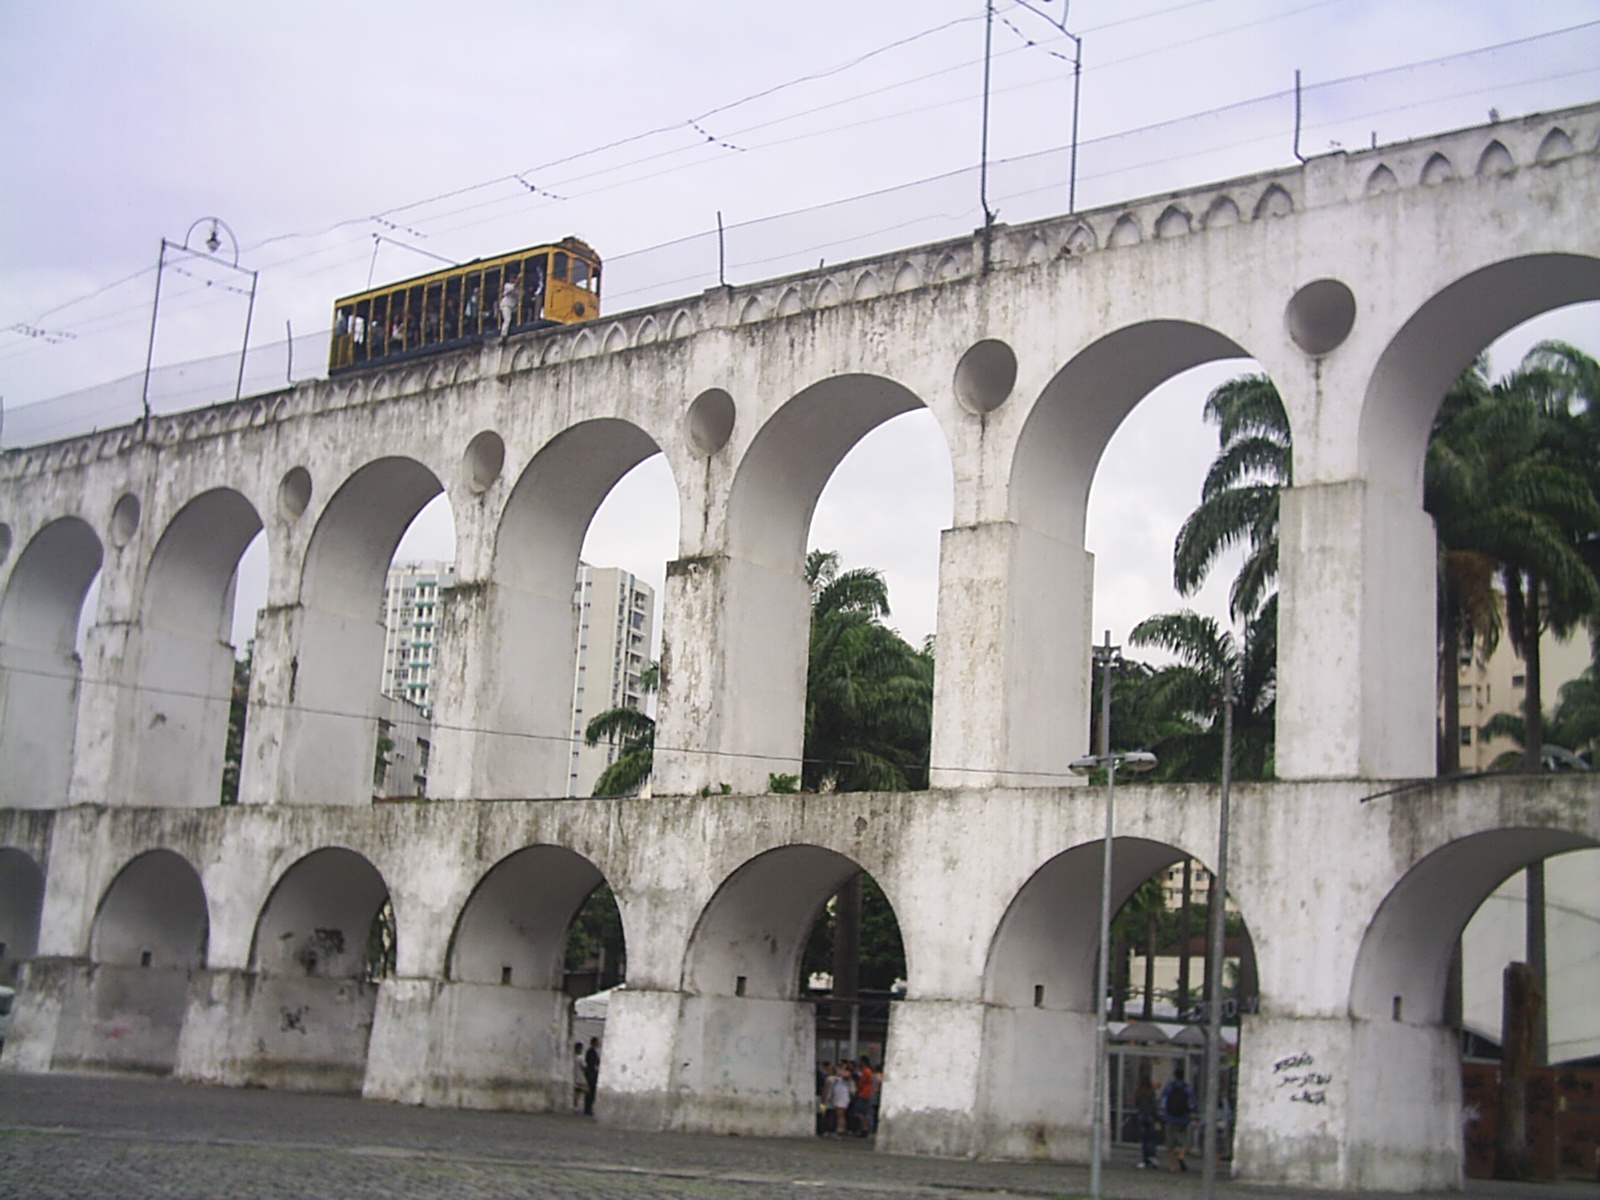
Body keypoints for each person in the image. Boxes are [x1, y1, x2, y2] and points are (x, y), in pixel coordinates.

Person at [1159, 1066, 1196, 1173]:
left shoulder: (1169, 1087)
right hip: (1183, 1118)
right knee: (1183, 1140)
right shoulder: (1187, 1088)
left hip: (1170, 1118)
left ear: (1174, 1076)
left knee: (1170, 1143)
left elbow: (1163, 1102)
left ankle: (1172, 1165)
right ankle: (1181, 1155)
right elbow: (1192, 1104)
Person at [1134, 1073, 1159, 1168]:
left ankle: (1145, 1159)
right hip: (1150, 1117)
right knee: (1151, 1139)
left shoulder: (1139, 1092)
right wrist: (1157, 1117)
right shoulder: (1151, 1092)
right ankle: (1152, 1157)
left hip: (1142, 1117)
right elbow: (1154, 1106)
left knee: (1144, 1140)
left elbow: (1136, 1105)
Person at [851, 1055, 876, 1136]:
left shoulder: (866, 1071)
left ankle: (864, 1128)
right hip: (868, 1093)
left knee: (860, 1112)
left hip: (863, 1093)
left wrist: (857, 1088)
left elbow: (861, 1083)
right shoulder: (870, 1071)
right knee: (865, 1112)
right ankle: (865, 1128)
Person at [583, 1036, 601, 1116]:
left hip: (592, 1073)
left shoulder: (593, 1052)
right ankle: (587, 1108)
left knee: (591, 1092)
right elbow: (592, 1063)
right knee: (590, 1091)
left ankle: (588, 1107)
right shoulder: (591, 1052)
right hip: (591, 1074)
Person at [572, 1041, 586, 1113]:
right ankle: (579, 1106)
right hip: (581, 1077)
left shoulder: (574, 1057)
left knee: (576, 1093)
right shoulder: (581, 1058)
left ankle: (576, 1106)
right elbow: (584, 1067)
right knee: (581, 1092)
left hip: (575, 1076)